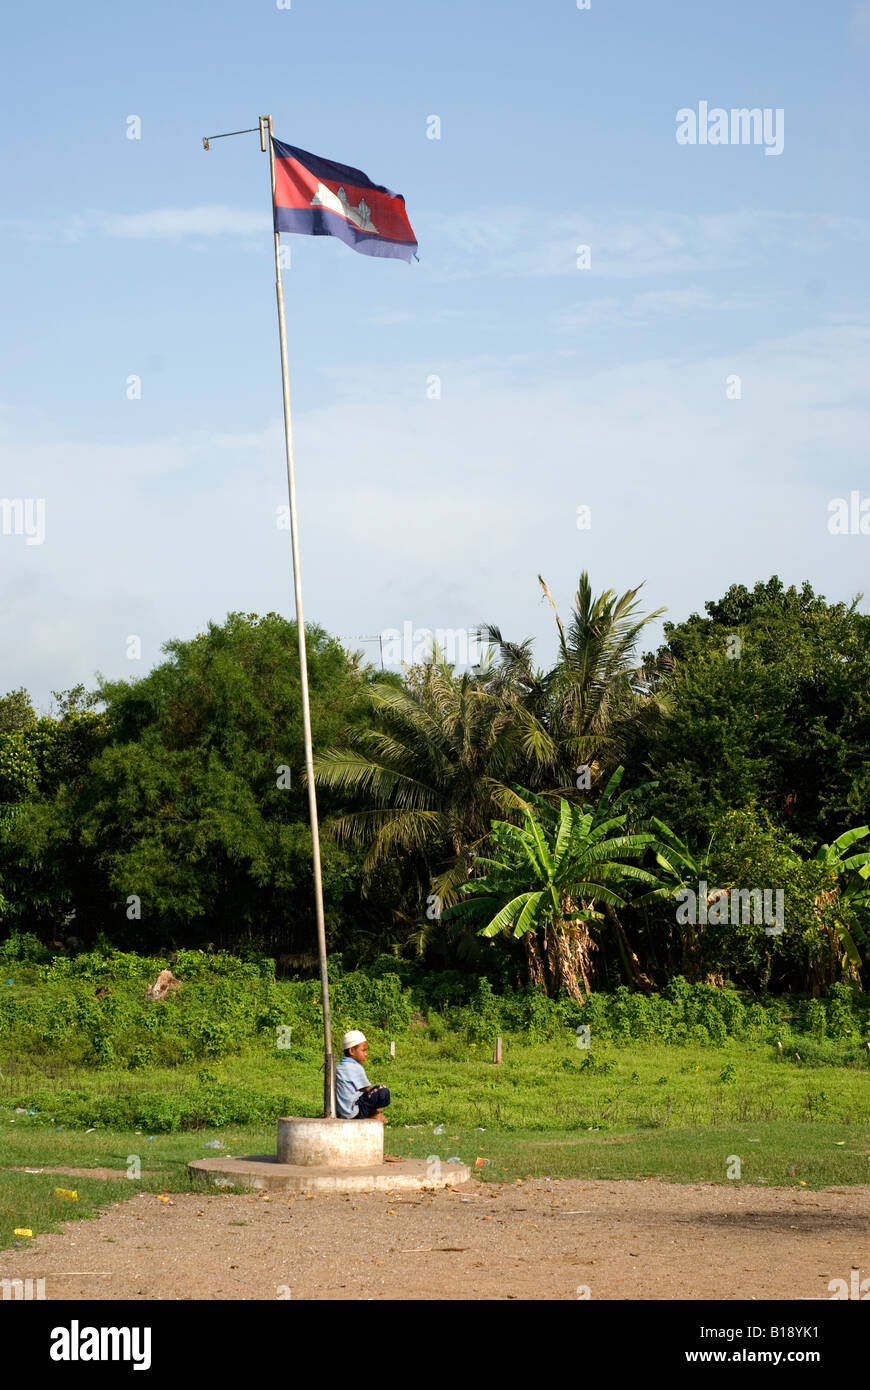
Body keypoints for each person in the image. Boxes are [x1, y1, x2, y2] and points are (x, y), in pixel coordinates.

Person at [335, 1029, 390, 1122]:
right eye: (363, 1050)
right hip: (355, 1112)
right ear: (352, 1051)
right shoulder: (355, 1067)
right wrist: (377, 1109)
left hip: (342, 1112)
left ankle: (373, 1113)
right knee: (382, 1090)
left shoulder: (340, 1066)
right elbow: (367, 1089)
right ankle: (373, 1114)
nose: (366, 1054)